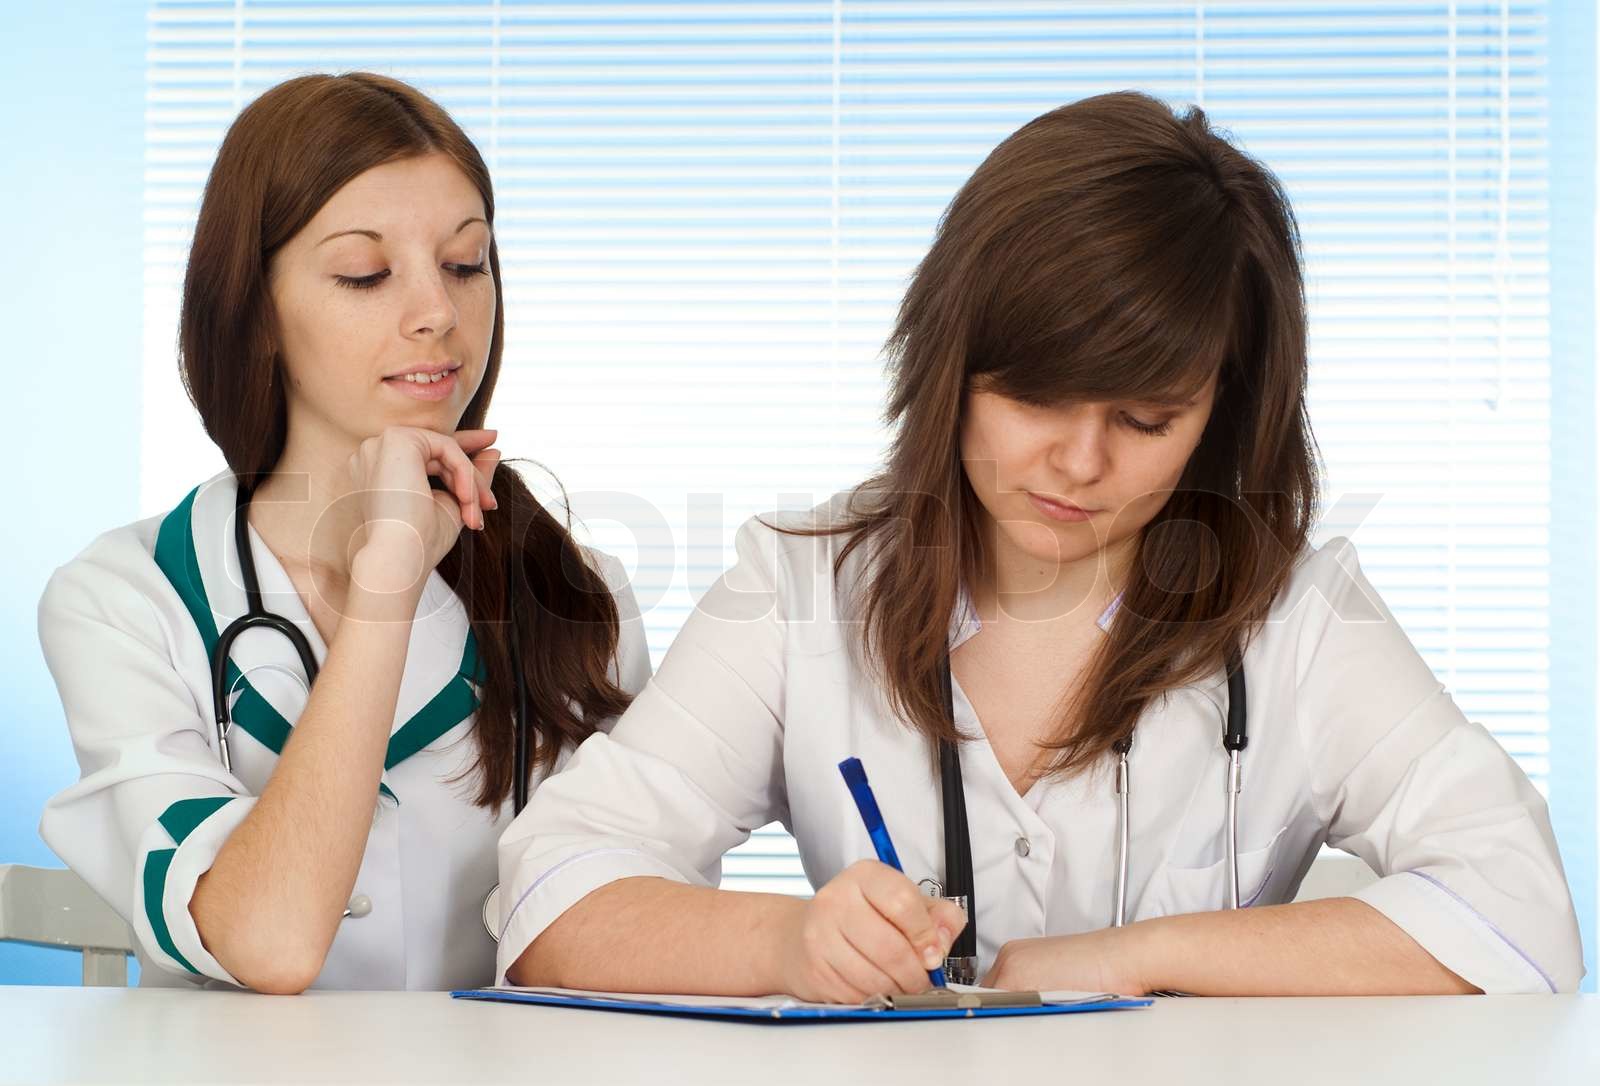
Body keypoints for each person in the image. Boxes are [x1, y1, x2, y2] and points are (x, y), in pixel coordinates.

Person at [495, 91, 1584, 998]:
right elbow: (555, 892)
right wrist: (786, 944)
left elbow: (1520, 915)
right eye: (1034, 399)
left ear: (1222, 414)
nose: (1077, 464)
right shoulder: (801, 584)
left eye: (1145, 421)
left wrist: (1134, 957)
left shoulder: (1297, 616)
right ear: (949, 361)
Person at [37, 72, 649, 994]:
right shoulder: (127, 598)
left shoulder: (577, 593)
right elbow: (268, 942)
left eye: (465, 261)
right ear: (256, 311)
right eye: (365, 274)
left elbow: (632, 936)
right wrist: (386, 585)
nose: (437, 313)